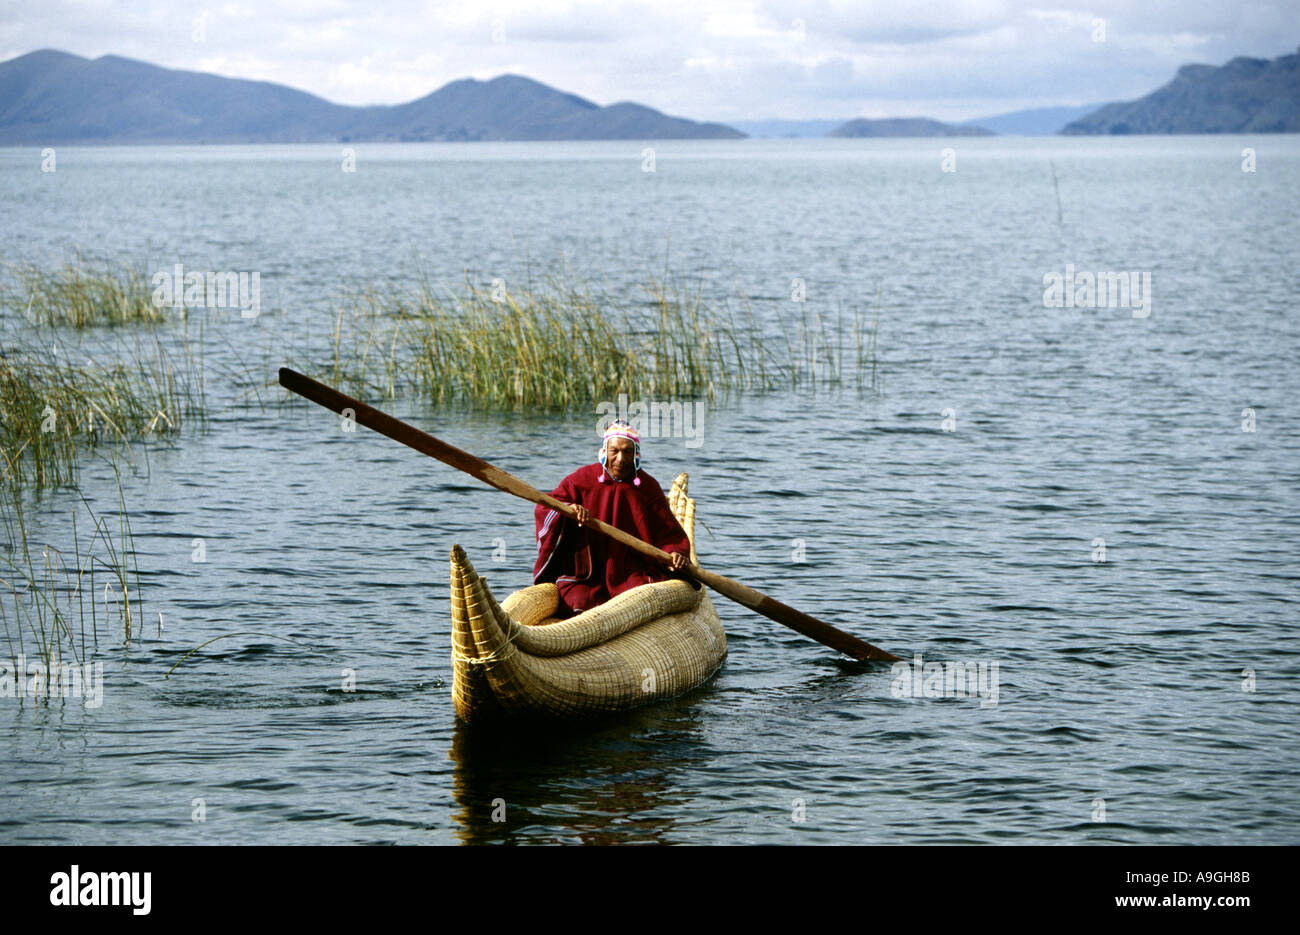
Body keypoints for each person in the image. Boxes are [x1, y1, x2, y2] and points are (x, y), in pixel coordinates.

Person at [533, 419, 693, 617]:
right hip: (587, 573)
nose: (620, 458)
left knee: (641, 598)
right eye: (614, 451)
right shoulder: (582, 479)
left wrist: (674, 554)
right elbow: (547, 505)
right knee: (576, 601)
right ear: (604, 451)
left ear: (636, 454)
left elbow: (669, 534)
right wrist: (569, 510)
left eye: (627, 451)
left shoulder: (647, 488)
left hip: (631, 570)